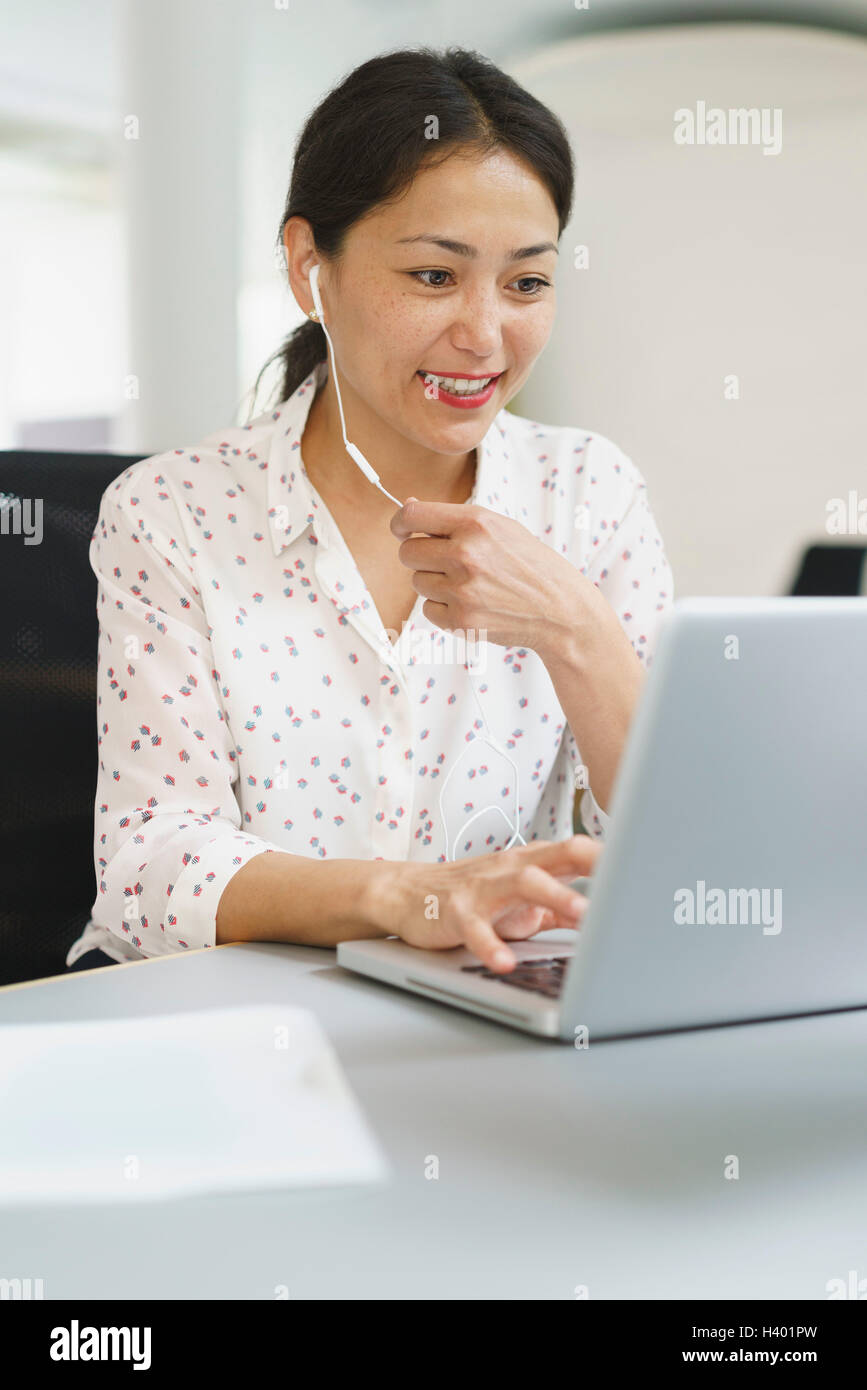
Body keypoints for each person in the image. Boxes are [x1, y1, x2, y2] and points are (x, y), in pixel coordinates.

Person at [66, 46, 673, 978]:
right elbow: (148, 869)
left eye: (526, 282)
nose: (483, 334)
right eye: (434, 276)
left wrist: (574, 627)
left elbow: (686, 862)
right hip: (229, 1031)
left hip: (494, 1023)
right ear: (311, 267)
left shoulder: (589, 494)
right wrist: (411, 895)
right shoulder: (174, 512)